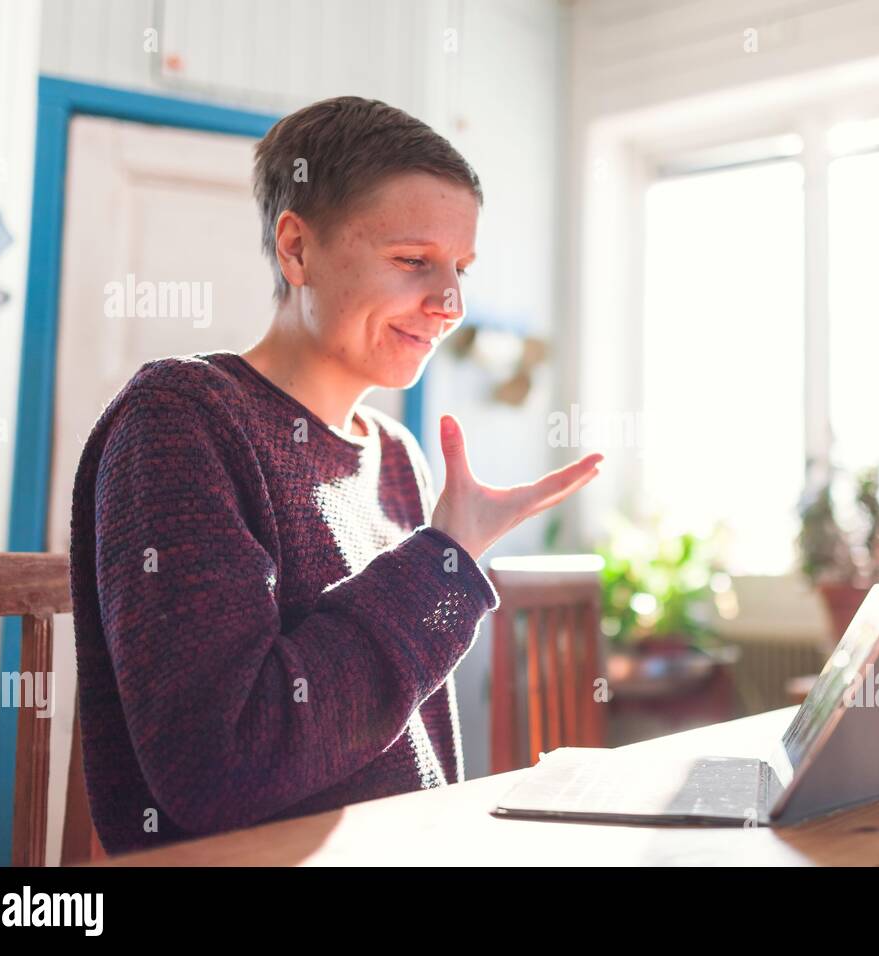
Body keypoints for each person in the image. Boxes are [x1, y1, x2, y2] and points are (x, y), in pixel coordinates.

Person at [69, 96, 602, 856]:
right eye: (413, 261)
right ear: (297, 250)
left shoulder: (397, 456)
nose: (450, 304)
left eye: (460, 269)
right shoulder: (182, 420)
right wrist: (445, 558)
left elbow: (405, 753)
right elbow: (220, 765)